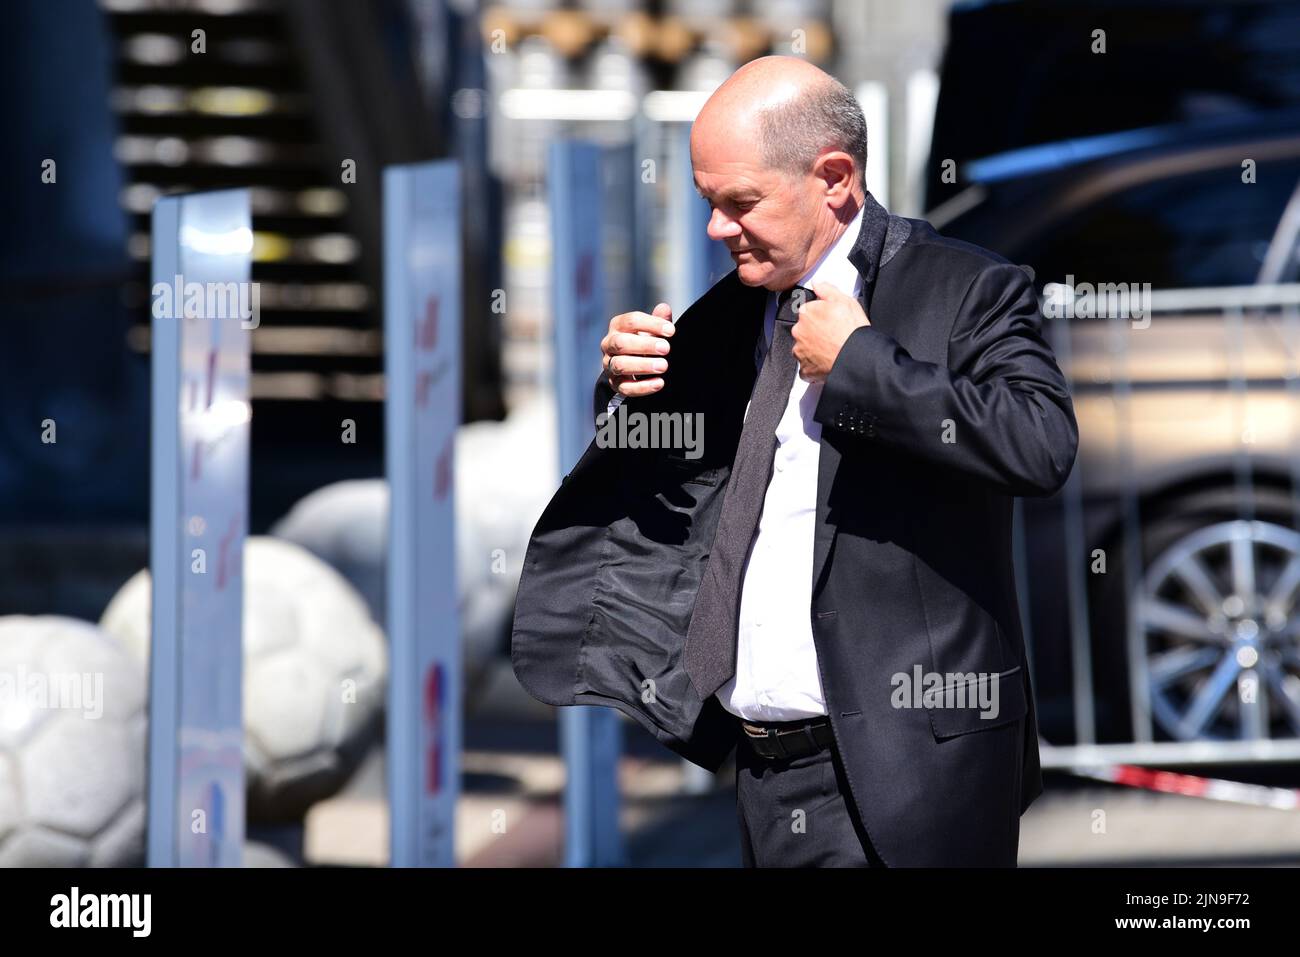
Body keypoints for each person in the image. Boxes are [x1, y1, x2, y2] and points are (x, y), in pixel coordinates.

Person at [511, 55, 1079, 866]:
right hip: (762, 775)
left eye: (739, 203)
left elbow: (1041, 442)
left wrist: (861, 364)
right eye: (710, 204)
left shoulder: (966, 289)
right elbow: (684, 483)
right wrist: (626, 392)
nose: (716, 228)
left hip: (912, 778)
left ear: (834, 178)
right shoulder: (737, 309)